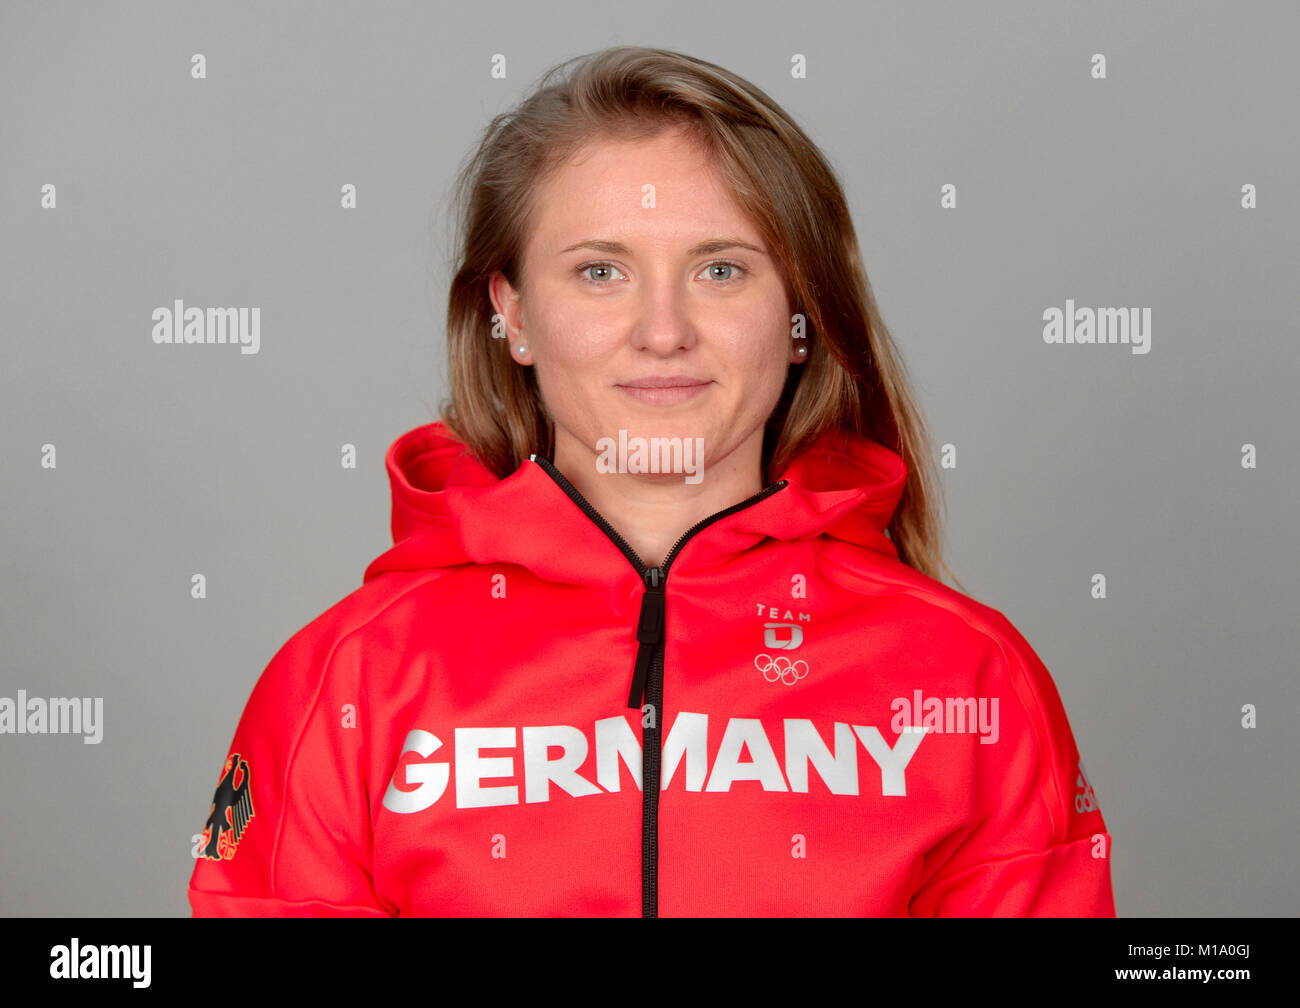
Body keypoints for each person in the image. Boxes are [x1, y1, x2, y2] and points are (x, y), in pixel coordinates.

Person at [188, 45, 1115, 917]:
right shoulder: (350, 679)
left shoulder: (967, 677)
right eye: (600, 272)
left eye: (720, 269)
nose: (663, 330)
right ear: (511, 315)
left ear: (799, 312)